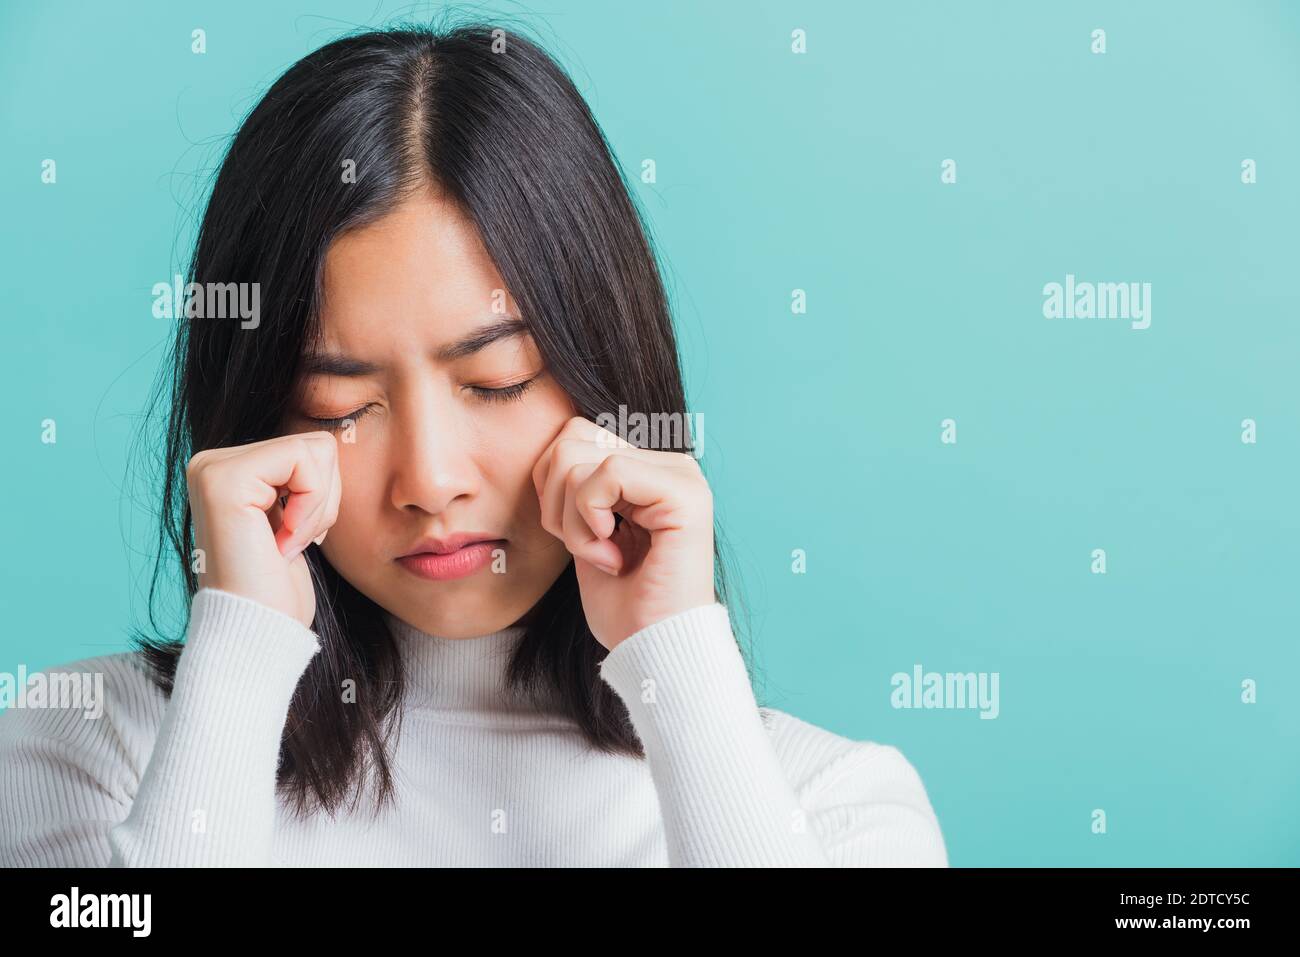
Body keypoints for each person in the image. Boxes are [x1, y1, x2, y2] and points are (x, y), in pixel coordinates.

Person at [0, 22, 947, 867]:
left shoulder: (833, 805)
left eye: (495, 383)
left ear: (603, 367)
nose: (432, 480)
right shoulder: (89, 748)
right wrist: (242, 654)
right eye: (338, 403)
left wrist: (679, 659)